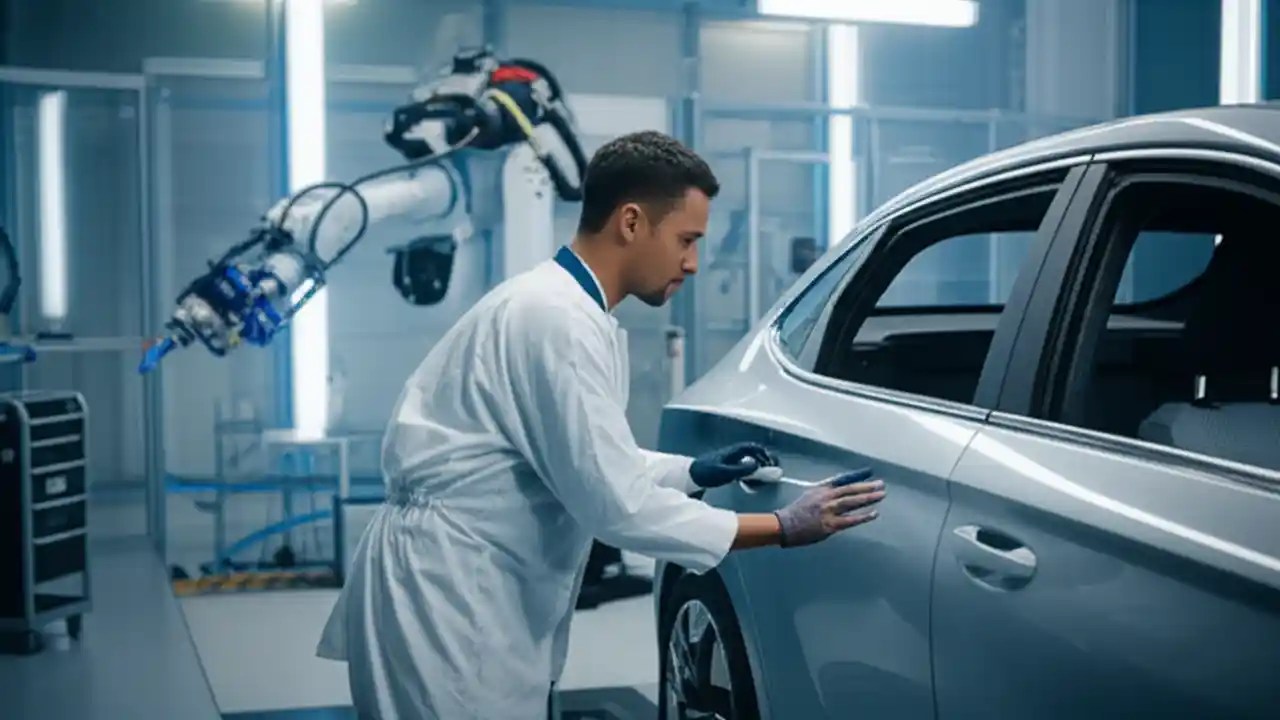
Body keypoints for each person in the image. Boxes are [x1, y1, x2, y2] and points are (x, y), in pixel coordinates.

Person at [315, 130, 886, 720]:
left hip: (469, 583)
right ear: (632, 223)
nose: (693, 262)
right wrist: (780, 525)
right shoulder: (555, 320)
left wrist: (690, 471)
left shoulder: (568, 310)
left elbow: (582, 456)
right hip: (454, 595)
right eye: (686, 240)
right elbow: (616, 506)